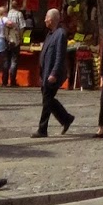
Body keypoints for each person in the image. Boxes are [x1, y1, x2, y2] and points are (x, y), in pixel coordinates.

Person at [32, 9, 75, 137]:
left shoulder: (60, 34)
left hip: (52, 74)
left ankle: (42, 129)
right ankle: (66, 118)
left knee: (47, 101)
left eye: (46, 17)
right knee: (49, 100)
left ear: (53, 19)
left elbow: (59, 56)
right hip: (45, 73)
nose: (45, 20)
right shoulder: (50, 33)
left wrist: (54, 73)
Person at [3, 0, 24, 86]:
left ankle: (4, 80)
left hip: (7, 40)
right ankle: (12, 80)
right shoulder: (19, 14)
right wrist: (21, 37)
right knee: (14, 60)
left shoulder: (7, 14)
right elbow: (22, 27)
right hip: (15, 40)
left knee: (6, 60)